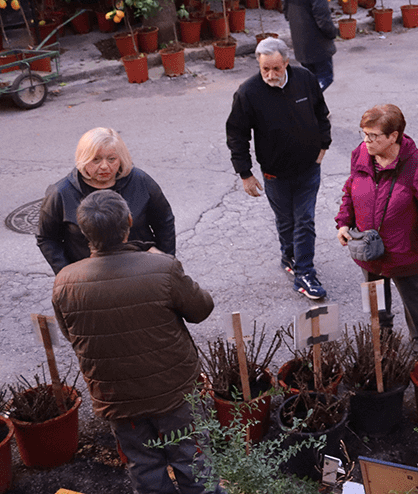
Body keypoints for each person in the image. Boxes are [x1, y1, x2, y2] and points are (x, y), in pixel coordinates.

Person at [53, 190, 215, 494]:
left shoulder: (65, 281)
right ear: (129, 221)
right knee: (192, 464)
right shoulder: (161, 268)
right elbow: (202, 308)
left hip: (117, 398)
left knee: (144, 468)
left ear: (84, 231)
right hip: (174, 392)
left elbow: (71, 336)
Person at [226, 36, 331, 300]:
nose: (271, 74)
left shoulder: (305, 79)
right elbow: (237, 135)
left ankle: (305, 273)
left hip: (309, 168)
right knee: (287, 221)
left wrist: (323, 146)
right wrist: (245, 174)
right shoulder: (248, 92)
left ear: (286, 63)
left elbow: (321, 113)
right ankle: (290, 255)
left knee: (304, 220)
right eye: (265, 69)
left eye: (276, 68)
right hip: (275, 173)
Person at [336, 105, 418, 353]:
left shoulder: (417, 165)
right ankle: (381, 341)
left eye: (373, 136)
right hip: (367, 250)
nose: (367, 141)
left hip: (403, 252)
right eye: (364, 134)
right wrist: (343, 222)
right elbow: (349, 193)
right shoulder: (360, 154)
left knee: (413, 304)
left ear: (393, 136)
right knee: (375, 303)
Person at [39, 127, 175, 275]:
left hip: (143, 270)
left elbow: (164, 221)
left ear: (121, 158)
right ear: (83, 158)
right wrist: (67, 273)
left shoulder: (140, 181)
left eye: (111, 159)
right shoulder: (61, 193)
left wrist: (166, 262)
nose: (104, 166)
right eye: (95, 159)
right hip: (91, 277)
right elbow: (47, 238)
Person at [281, 0, 337, 90]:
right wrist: (333, 33)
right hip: (318, 45)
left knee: (311, 78)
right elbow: (323, 20)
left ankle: (318, 110)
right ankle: (307, 105)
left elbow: (286, 11)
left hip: (300, 44)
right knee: (325, 78)